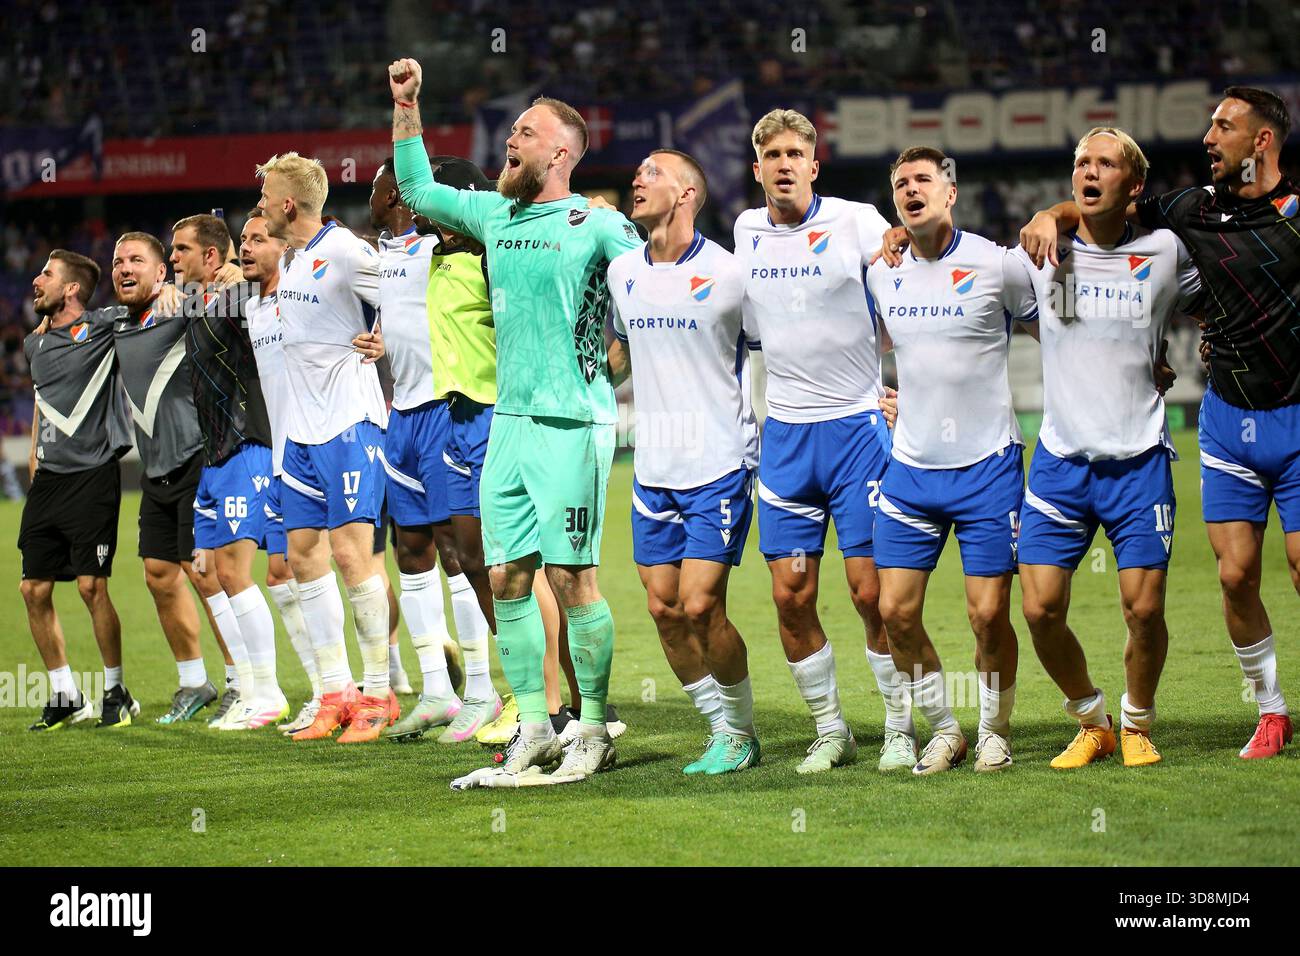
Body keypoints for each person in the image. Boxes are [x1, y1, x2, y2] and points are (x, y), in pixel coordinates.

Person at [1019, 86, 1299, 759]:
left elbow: (1204, 301)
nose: (1208, 137)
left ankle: (1137, 721)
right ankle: (1261, 711)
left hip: (1285, 415)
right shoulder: (1188, 213)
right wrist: (1047, 211)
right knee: (1231, 578)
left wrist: (1171, 352)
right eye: (1081, 163)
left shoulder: (1265, 226)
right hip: (1224, 422)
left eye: (1224, 126)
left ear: (1262, 140)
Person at [390, 57, 642, 786]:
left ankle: (593, 727)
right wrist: (407, 105)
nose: (512, 141)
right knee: (506, 577)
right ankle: (535, 724)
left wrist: (617, 359)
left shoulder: (595, 223)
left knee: (572, 577)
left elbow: (653, 291)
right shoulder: (495, 215)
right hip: (510, 422)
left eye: (526, 134)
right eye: (512, 132)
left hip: (571, 423)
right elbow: (416, 188)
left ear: (559, 152)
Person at [1014, 128, 1203, 768]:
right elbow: (964, 294)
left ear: (1135, 185)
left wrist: (1205, 349)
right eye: (1081, 163)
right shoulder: (1042, 252)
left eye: (1104, 163)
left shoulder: (1166, 251)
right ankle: (1091, 720)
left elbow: (1224, 302)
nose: (1088, 172)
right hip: (1060, 462)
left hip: (1139, 462)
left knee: (1143, 610)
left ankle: (1138, 722)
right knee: (1039, 610)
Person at [733, 109, 907, 773]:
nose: (782, 164)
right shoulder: (746, 233)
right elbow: (744, 333)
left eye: (793, 154)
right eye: (770, 154)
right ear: (757, 169)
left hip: (856, 433)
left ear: (813, 164)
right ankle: (832, 729)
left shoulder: (859, 221)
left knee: (871, 593)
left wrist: (901, 394)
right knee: (790, 594)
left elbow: (901, 305)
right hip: (786, 440)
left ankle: (897, 724)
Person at [865, 146, 1038, 775]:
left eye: (922, 181)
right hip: (910, 469)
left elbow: (1058, 332)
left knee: (989, 613)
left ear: (950, 192)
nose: (911, 191)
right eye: (900, 184)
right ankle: (944, 727)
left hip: (988, 464)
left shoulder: (996, 265)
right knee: (894, 613)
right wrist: (883, 401)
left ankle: (994, 728)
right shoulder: (882, 272)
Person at [606, 149, 760, 774]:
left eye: (653, 174)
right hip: (653, 467)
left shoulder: (730, 275)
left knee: (701, 604)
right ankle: (720, 728)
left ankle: (744, 731)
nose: (637, 180)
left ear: (689, 193)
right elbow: (619, 356)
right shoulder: (622, 272)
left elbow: (776, 347)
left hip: (719, 460)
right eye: (635, 171)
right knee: (664, 608)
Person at [256, 151, 395, 743]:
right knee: (303, 556)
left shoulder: (345, 250)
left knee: (351, 556)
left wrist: (386, 338)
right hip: (301, 436)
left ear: (289, 204)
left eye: (265, 196)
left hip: (349, 423)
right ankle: (335, 693)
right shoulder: (291, 260)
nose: (260, 205)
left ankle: (380, 693)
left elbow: (405, 289)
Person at [366, 157, 495, 742]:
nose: (369, 189)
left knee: (459, 549)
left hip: (448, 407)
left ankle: (484, 691)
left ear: (397, 193)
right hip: (402, 416)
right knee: (410, 547)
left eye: (376, 182)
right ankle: (437, 692)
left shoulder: (445, 249)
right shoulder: (381, 255)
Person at [175, 213, 288, 729]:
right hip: (214, 455)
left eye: (180, 250)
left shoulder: (240, 300)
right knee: (215, 573)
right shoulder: (197, 304)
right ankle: (250, 687)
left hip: (249, 445)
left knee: (242, 573)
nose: (173, 259)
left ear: (211, 256)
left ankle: (267, 693)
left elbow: (273, 296)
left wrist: (241, 279)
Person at [111, 231, 227, 724]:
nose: (124, 268)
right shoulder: (110, 325)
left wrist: (198, 291)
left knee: (205, 575)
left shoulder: (186, 306)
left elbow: (239, 296)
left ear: (161, 272)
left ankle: (248, 680)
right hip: (154, 469)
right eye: (117, 261)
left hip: (196, 460)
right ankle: (194, 682)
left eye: (136, 259)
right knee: (159, 576)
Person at [21, 250, 134, 730]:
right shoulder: (33, 343)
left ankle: (116, 690)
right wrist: (32, 450)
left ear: (70, 289)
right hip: (48, 480)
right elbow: (41, 396)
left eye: (46, 274)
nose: (35, 280)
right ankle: (66, 695)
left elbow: (146, 304)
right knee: (33, 589)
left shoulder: (105, 326)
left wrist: (172, 288)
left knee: (92, 586)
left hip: (93, 476)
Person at [240, 209, 326, 734]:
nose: (244, 248)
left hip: (332, 442)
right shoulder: (252, 308)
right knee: (284, 571)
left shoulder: (306, 291)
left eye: (255, 239)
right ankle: (326, 688)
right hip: (283, 458)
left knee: (360, 561)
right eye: (240, 241)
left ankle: (393, 679)